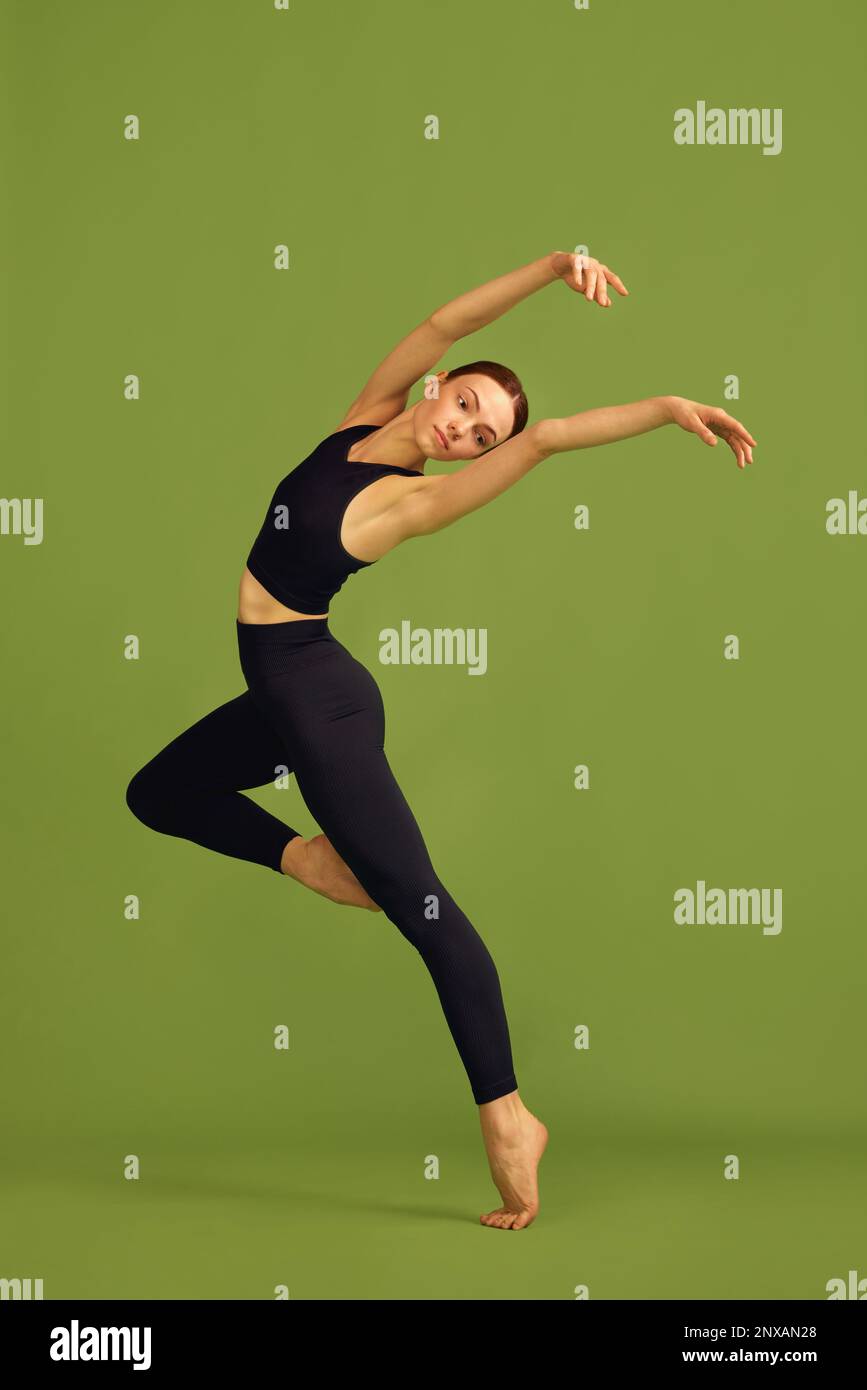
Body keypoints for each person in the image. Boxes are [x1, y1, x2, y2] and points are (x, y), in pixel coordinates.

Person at [126, 250, 756, 1230]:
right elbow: (445, 316)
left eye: (477, 434)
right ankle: (309, 858)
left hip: (322, 709)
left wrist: (666, 407)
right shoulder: (369, 413)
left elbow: (544, 439)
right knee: (158, 794)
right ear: (438, 386)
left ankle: (509, 1117)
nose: (463, 427)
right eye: (465, 405)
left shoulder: (411, 498)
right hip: (284, 695)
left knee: (429, 915)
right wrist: (554, 264)